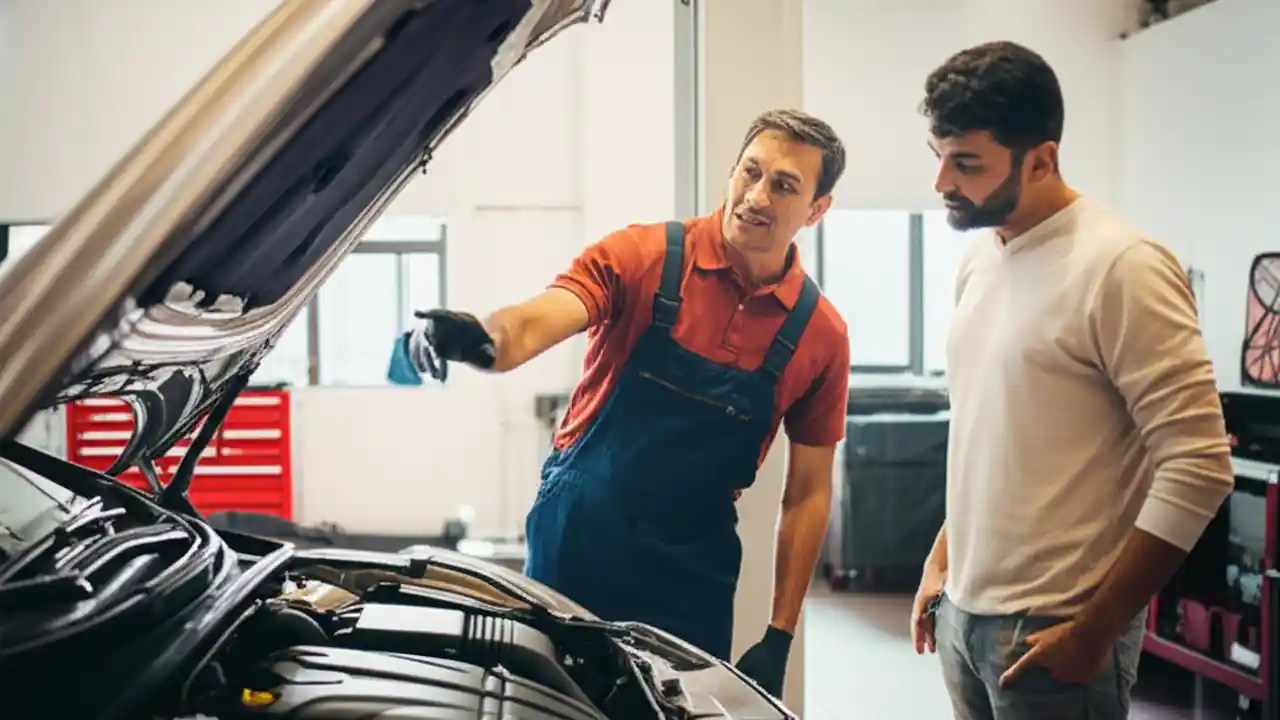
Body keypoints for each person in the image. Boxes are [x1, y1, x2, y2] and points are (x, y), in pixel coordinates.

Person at [391, 109, 852, 697]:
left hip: (691, 567)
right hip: (579, 535)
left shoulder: (820, 334)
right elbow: (536, 320)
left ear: (817, 209)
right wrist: (481, 337)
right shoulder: (645, 257)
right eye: (750, 172)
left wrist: (780, 633)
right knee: (550, 704)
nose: (756, 196)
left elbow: (809, 492)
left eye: (784, 185)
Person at [909, 41, 1234, 719]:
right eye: (937, 153)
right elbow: (992, 437)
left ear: (1043, 159)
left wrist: (1097, 628)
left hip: (1056, 624)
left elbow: (1199, 465)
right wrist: (943, 563)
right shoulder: (980, 260)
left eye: (966, 163)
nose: (941, 180)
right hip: (961, 618)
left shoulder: (1123, 266)